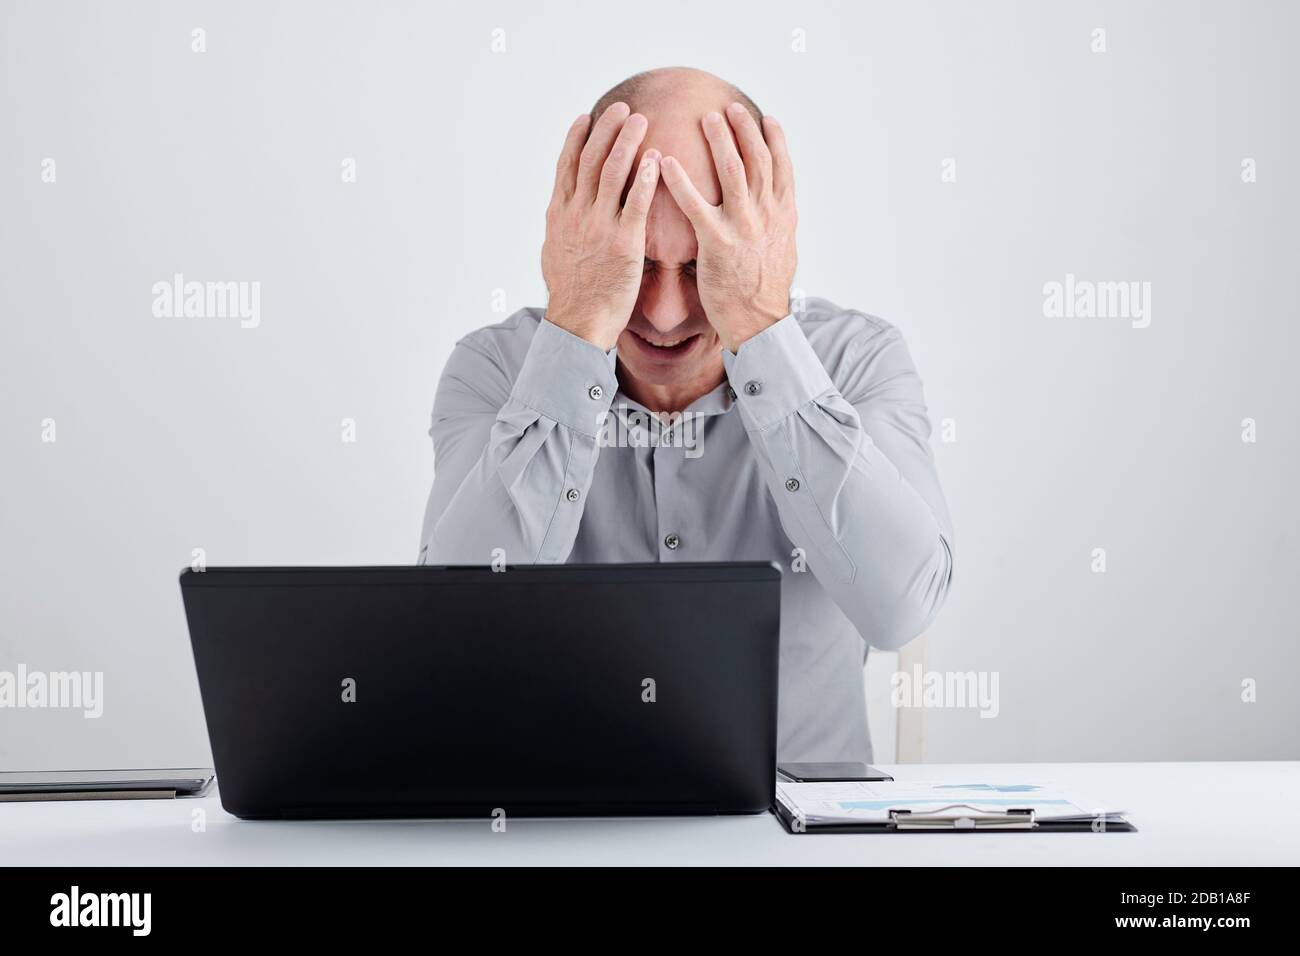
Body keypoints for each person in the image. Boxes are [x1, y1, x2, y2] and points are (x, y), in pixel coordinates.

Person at [419, 67, 953, 762]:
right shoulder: (495, 373)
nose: (665, 315)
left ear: (766, 237)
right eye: (634, 263)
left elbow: (901, 611)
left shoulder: (855, 363)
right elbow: (456, 635)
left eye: (704, 266)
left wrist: (761, 325)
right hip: (564, 841)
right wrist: (578, 324)